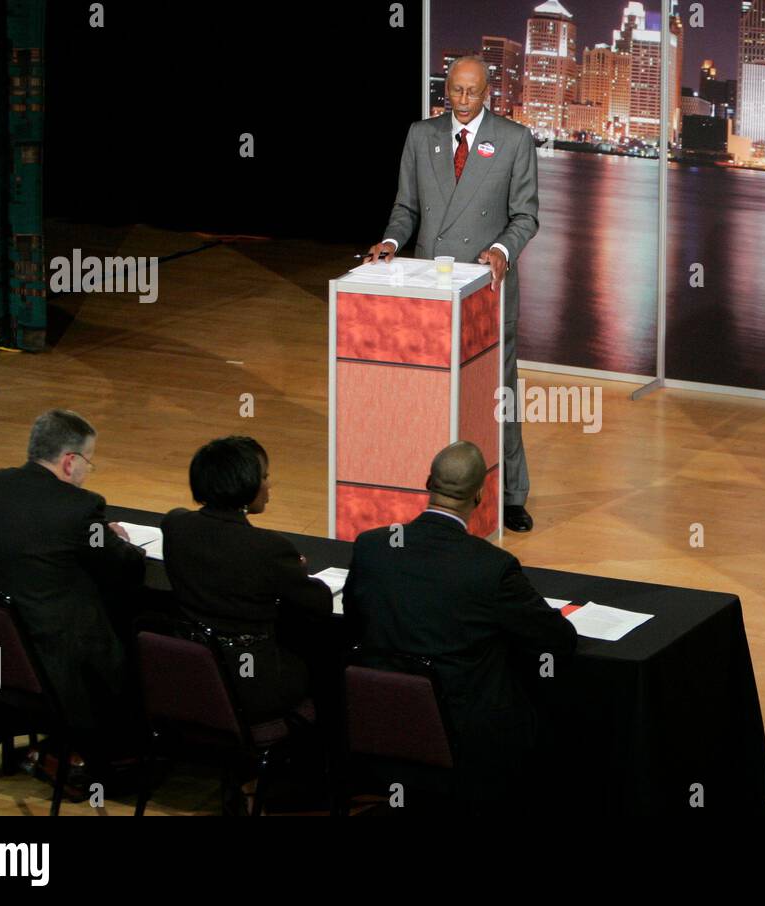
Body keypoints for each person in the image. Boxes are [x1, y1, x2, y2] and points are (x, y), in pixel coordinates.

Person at [343, 441, 577, 808]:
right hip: (467, 734)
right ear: (481, 494)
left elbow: (354, 621)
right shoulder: (491, 567)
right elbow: (557, 640)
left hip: (380, 718)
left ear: (427, 482)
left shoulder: (373, 546)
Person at [365, 55, 540, 532]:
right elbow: (405, 207)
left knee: (497, 394)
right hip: (432, 293)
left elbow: (526, 215)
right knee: (432, 391)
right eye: (455, 92)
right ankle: (429, 489)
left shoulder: (515, 139)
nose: (462, 102)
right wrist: (391, 241)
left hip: (487, 289)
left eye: (472, 93)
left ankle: (510, 495)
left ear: (488, 93)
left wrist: (503, 249)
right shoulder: (421, 135)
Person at [0, 409, 147, 785]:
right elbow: (126, 566)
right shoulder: (79, 509)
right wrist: (111, 536)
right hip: (50, 663)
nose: (86, 471)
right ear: (70, 461)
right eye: (88, 462)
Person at [160, 436, 336, 724]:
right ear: (246, 483)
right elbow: (319, 604)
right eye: (264, 477)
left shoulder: (175, 525)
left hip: (191, 673)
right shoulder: (269, 549)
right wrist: (297, 572)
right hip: (254, 685)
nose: (268, 485)